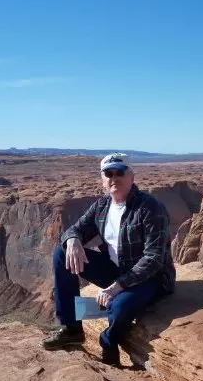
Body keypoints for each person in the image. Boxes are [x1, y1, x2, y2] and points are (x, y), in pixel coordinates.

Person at [41, 153, 176, 366]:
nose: (114, 178)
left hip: (151, 278)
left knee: (120, 306)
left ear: (131, 177)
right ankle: (71, 329)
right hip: (117, 270)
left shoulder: (149, 208)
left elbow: (154, 258)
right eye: (108, 173)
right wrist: (74, 240)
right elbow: (75, 229)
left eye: (120, 172)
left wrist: (116, 287)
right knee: (61, 253)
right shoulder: (102, 206)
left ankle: (108, 341)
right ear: (103, 179)